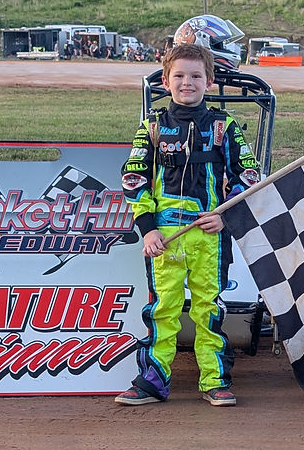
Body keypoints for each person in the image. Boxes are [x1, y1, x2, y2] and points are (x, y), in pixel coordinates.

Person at [115, 42, 261, 407]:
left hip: (208, 236)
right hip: (164, 236)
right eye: (179, 75)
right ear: (166, 81)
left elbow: (249, 174)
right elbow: (133, 178)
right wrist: (147, 228)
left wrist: (224, 214)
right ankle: (153, 382)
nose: (187, 82)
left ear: (209, 81)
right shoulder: (151, 126)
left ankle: (214, 381)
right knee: (163, 309)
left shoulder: (224, 125)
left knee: (208, 310)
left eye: (196, 76)